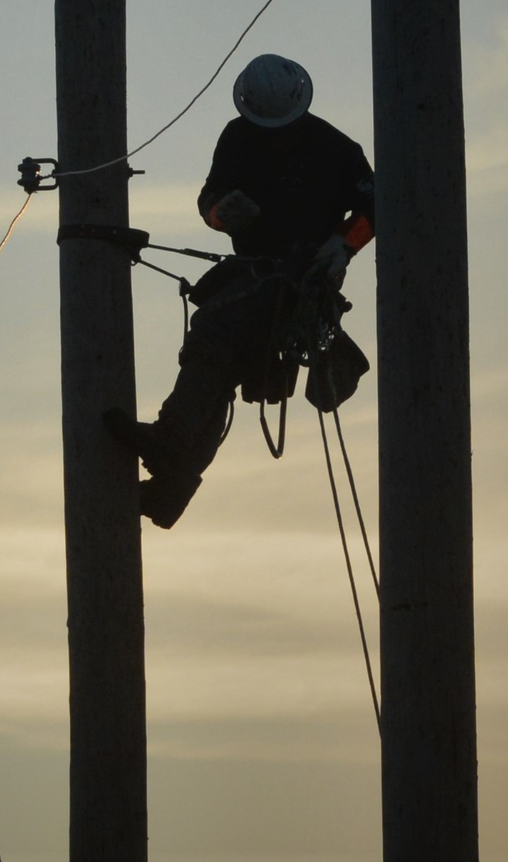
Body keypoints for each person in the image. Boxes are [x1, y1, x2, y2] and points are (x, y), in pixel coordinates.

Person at [105, 54, 376, 529]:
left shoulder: (335, 148)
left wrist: (344, 244)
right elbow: (210, 197)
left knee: (214, 332)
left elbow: (381, 203)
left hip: (301, 282)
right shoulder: (239, 138)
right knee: (223, 372)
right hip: (253, 270)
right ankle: (173, 488)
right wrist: (221, 213)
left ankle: (171, 442)